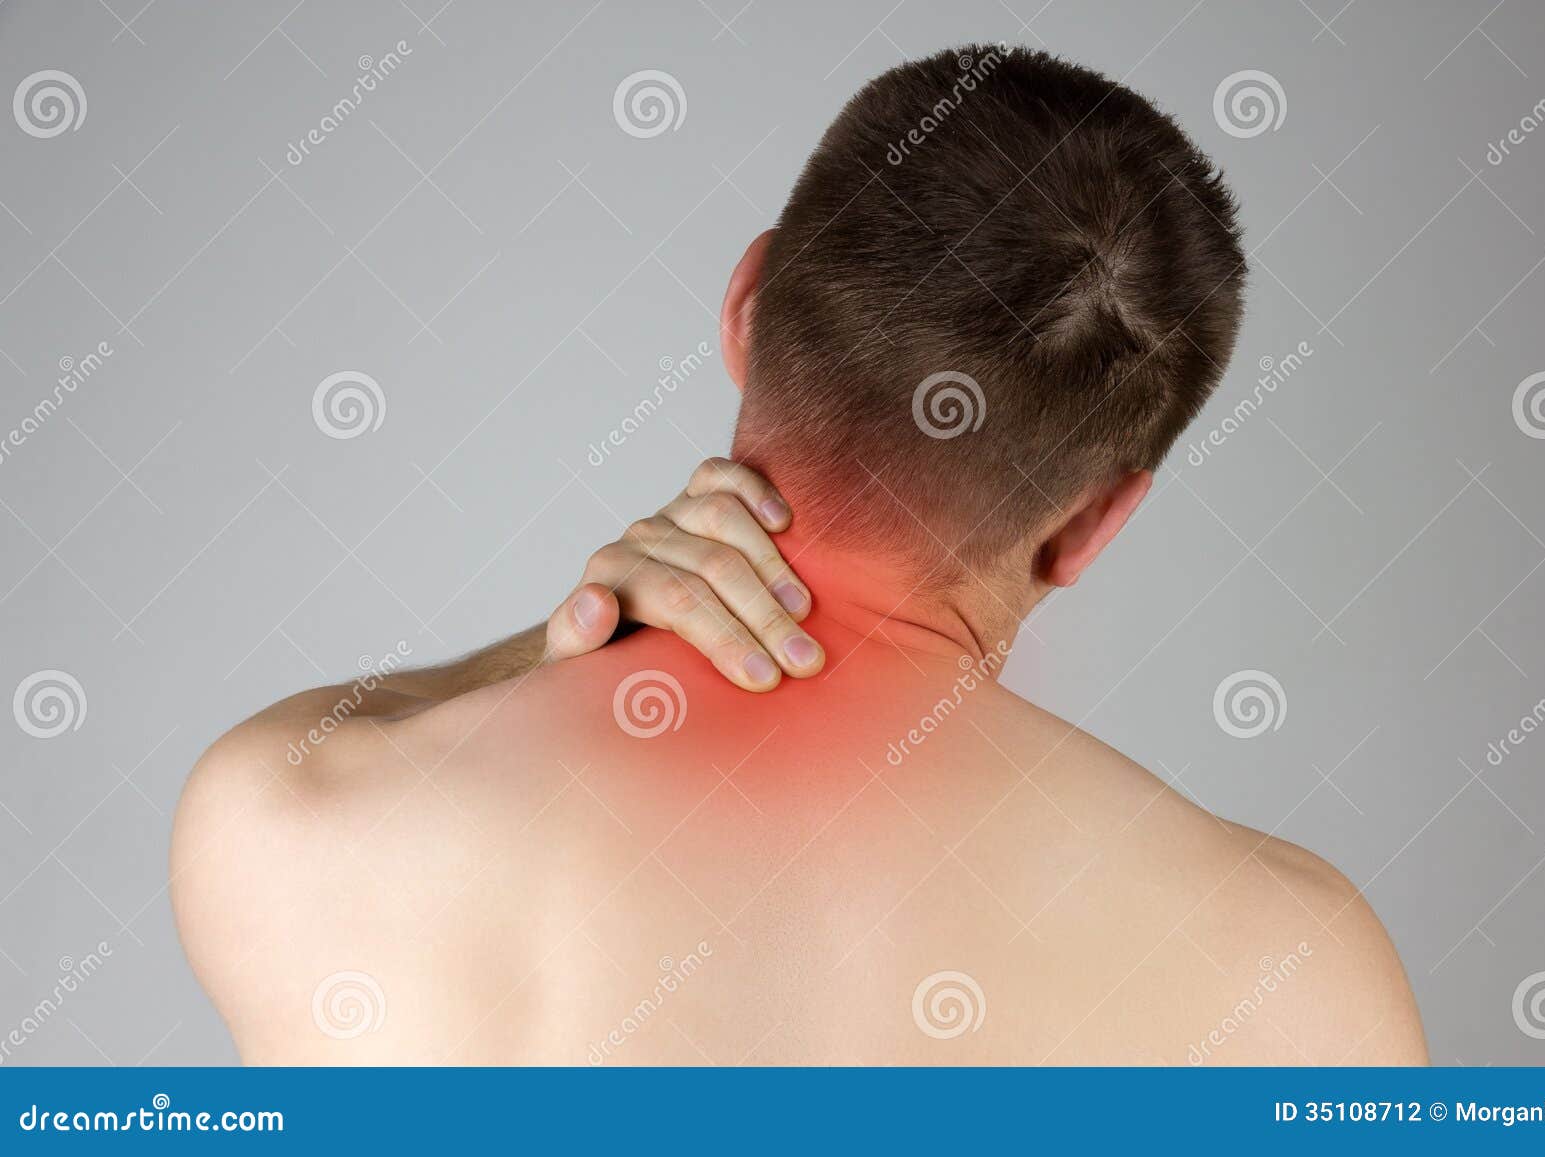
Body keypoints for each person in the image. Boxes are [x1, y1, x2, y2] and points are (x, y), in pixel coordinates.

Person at [173, 46, 1427, 1065]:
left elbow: (337, 742)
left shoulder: (297, 814)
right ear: (1095, 518)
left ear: (745, 302)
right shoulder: (1293, 974)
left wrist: (572, 632)